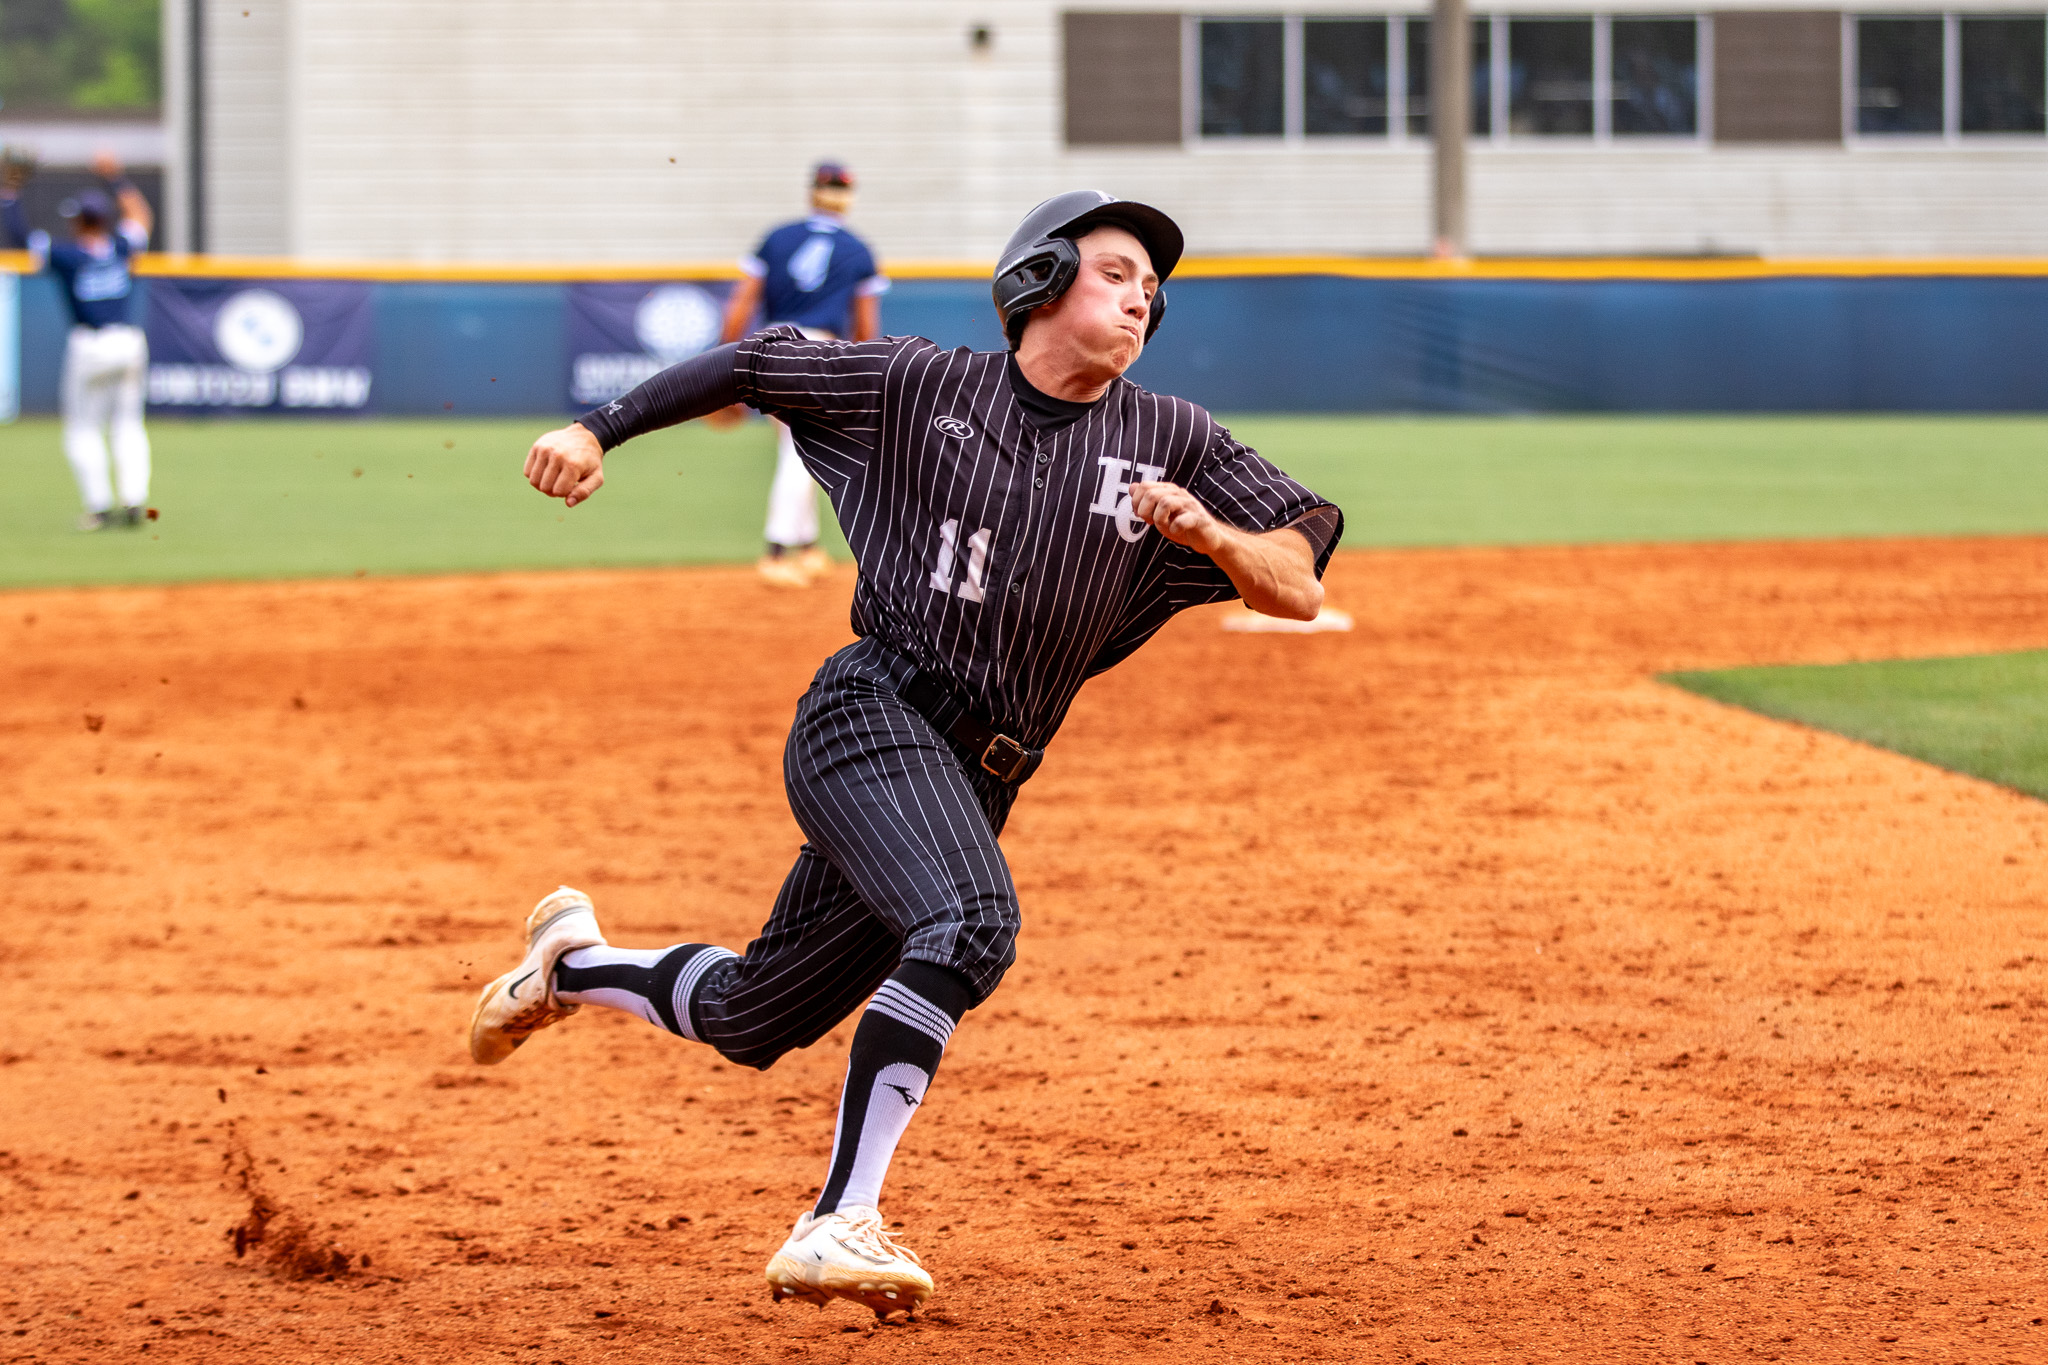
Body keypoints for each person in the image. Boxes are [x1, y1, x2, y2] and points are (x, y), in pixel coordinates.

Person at [477, 191, 1343, 1319]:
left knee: (752, 1015)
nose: (1144, 295)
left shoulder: (1170, 436)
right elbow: (755, 363)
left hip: (980, 774)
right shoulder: (921, 385)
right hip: (870, 713)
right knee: (972, 925)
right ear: (1035, 281)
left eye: (1152, 287)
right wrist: (596, 427)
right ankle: (837, 1220)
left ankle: (568, 967)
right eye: (1117, 270)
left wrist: (1210, 534)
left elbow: (1298, 578)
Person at [717, 161, 887, 588]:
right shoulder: (857, 249)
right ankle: (775, 554)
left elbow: (740, 304)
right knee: (801, 452)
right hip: (820, 351)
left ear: (812, 192)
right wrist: (863, 370)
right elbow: (866, 326)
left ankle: (807, 547)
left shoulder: (778, 238)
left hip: (772, 346)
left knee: (794, 445)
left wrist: (726, 364)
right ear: (847, 198)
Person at [1, 151, 154, 532]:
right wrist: (114, 176)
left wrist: (10, 192)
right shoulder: (121, 247)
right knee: (128, 426)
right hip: (129, 342)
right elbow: (141, 217)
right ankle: (134, 501)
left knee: (83, 428)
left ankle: (99, 508)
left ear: (80, 221)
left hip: (91, 346)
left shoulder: (68, 255)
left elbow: (21, 238)